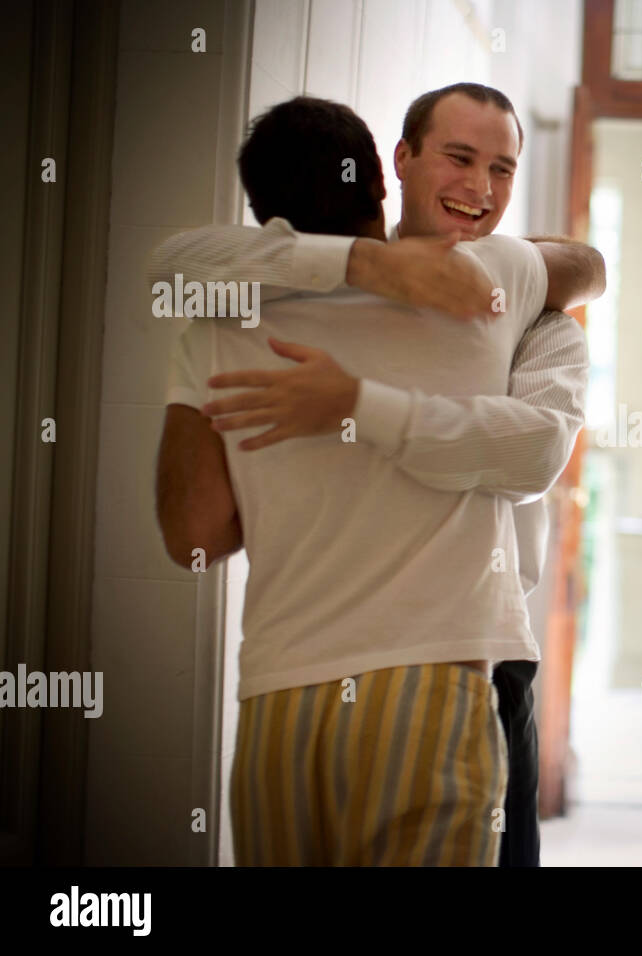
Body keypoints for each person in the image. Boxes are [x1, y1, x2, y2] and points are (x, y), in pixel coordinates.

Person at [155, 92, 600, 865]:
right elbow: (586, 263)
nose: (481, 187)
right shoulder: (494, 280)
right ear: (393, 170)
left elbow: (199, 534)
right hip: (427, 674)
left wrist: (354, 404)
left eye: (502, 168)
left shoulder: (224, 316)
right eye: (460, 159)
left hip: (391, 675)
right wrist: (369, 268)